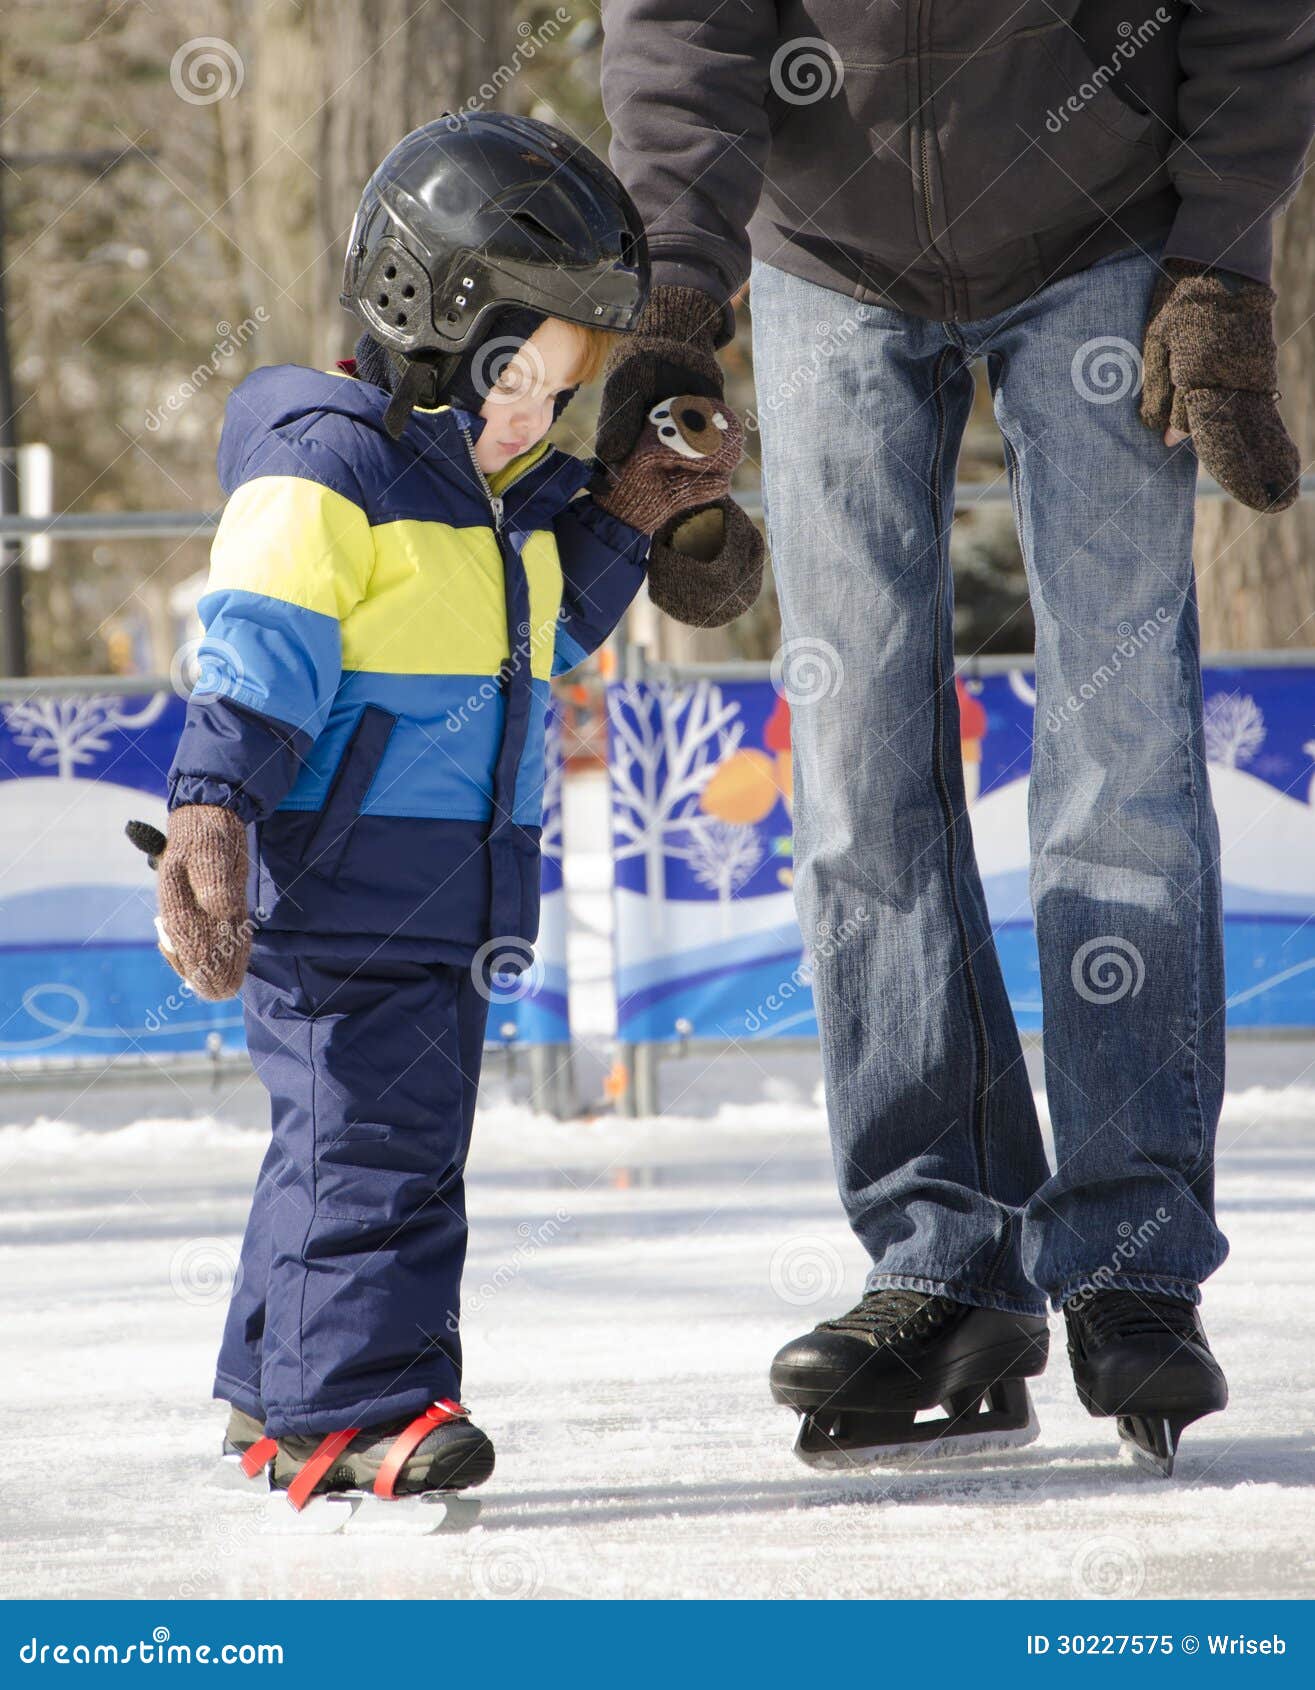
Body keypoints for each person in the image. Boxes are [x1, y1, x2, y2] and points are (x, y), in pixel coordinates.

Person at [597, 0, 1315, 1475]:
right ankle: (943, 1260)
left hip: (1104, 228)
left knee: (1123, 754)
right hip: (827, 249)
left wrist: (1222, 255)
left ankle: (1130, 1258)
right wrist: (672, 295)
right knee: (855, 759)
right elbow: (681, 22)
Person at [152, 111, 742, 1511]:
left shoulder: (502, 499)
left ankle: (265, 1380)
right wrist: (213, 806)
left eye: (562, 392)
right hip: (343, 886)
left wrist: (625, 516)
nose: (540, 420)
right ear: (433, 319)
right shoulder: (331, 470)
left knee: (362, 1145)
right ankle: (348, 1412)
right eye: (520, 383)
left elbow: (539, 639)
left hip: (447, 892)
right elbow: (257, 651)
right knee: (376, 1156)